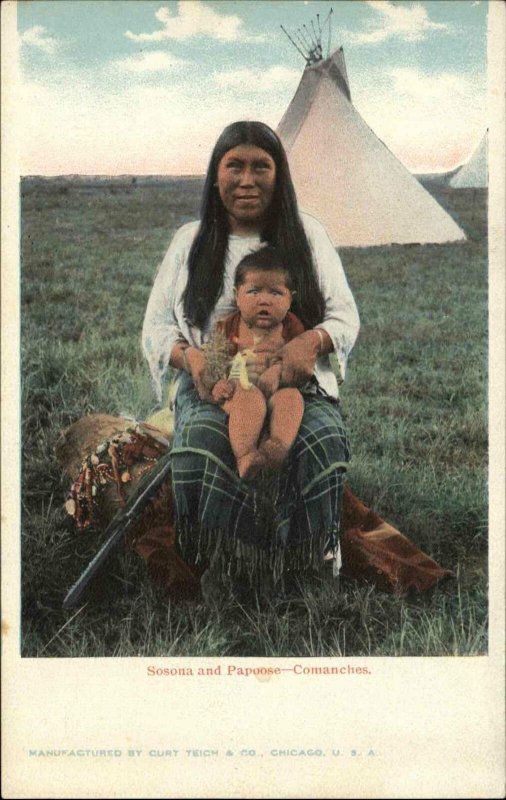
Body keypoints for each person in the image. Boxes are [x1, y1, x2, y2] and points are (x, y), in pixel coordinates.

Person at [142, 120, 360, 597]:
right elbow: (156, 326)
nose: (247, 179)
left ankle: (307, 567)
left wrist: (310, 343)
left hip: (292, 383)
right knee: (202, 438)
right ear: (214, 176)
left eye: (261, 166)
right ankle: (219, 565)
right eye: (234, 166)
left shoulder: (309, 236)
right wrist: (192, 359)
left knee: (317, 439)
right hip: (217, 386)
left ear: (279, 175)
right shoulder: (189, 241)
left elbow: (345, 316)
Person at [202, 245, 307, 481]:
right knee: (249, 400)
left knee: (292, 399)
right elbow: (213, 361)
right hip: (239, 393)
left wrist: (279, 371)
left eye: (275, 293)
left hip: (276, 391)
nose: (264, 301)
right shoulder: (227, 327)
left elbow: (300, 360)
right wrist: (217, 384)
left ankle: (275, 449)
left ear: (291, 299)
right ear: (237, 295)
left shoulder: (292, 327)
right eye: (254, 292)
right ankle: (247, 458)